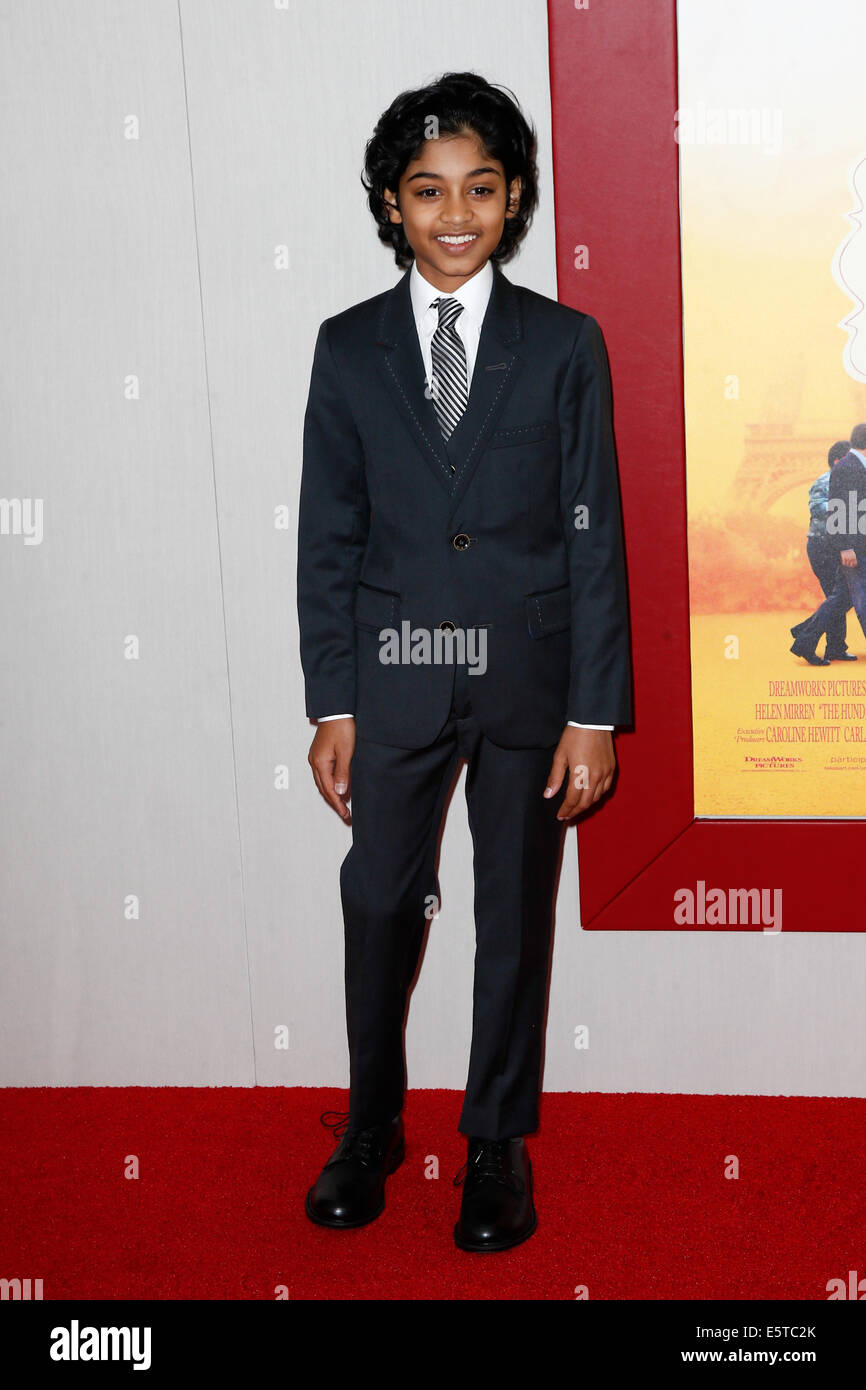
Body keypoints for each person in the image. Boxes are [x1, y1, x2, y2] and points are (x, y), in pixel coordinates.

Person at [296, 72, 631, 1252]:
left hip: (530, 685)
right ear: (391, 203)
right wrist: (331, 697)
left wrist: (593, 711)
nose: (454, 212)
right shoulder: (345, 351)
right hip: (390, 675)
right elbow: (326, 535)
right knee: (378, 898)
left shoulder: (562, 344)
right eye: (428, 190)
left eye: (479, 189)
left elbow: (593, 531)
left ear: (514, 198)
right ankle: (371, 1125)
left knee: (510, 911)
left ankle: (494, 1142)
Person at [789, 439, 855, 664]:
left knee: (839, 596)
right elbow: (819, 508)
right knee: (840, 595)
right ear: (837, 461)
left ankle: (831, 645)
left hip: (834, 545)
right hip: (823, 547)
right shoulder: (825, 481)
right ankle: (807, 639)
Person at [827, 422, 866, 640]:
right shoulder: (845, 467)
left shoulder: (858, 466)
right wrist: (845, 547)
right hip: (854, 547)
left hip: (860, 543)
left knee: (841, 598)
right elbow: (837, 509)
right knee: (861, 600)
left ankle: (805, 637)